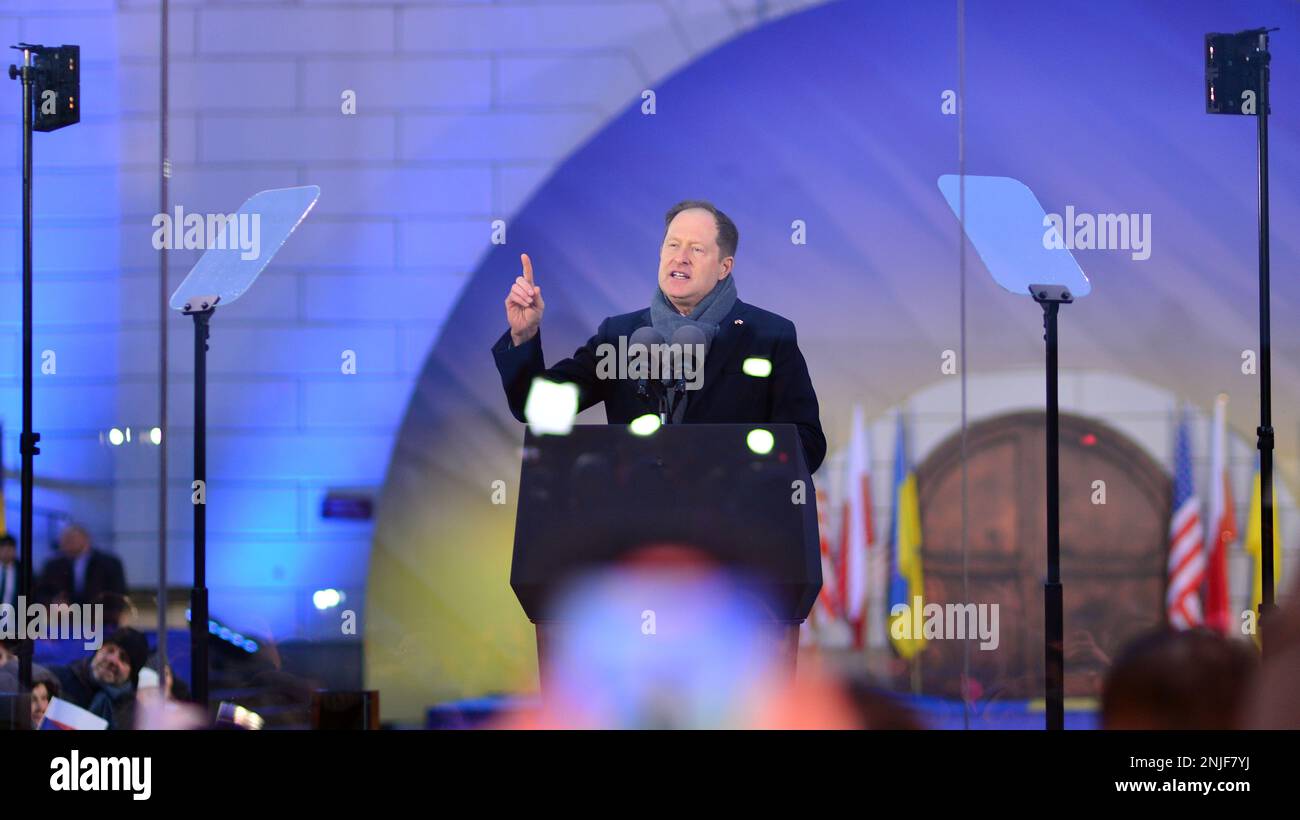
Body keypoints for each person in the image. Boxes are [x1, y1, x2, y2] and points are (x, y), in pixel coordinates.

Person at [492, 200, 826, 473]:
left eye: (696, 249)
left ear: (724, 267)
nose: (680, 257)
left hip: (735, 532)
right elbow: (538, 408)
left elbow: (807, 444)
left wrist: (738, 462)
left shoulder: (768, 336)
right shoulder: (620, 336)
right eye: (673, 244)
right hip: (637, 532)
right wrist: (524, 333)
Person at [52, 627, 149, 730]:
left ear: (131, 674)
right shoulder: (57, 680)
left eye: (123, 658)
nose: (112, 660)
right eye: (110, 650)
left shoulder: (136, 716)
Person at [36, 523, 127, 610]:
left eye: (72, 539)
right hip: (63, 618)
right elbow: (42, 592)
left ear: (87, 539)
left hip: (101, 617)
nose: (67, 543)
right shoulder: (53, 565)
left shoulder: (109, 563)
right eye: (64, 539)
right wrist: (54, 602)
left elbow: (117, 593)